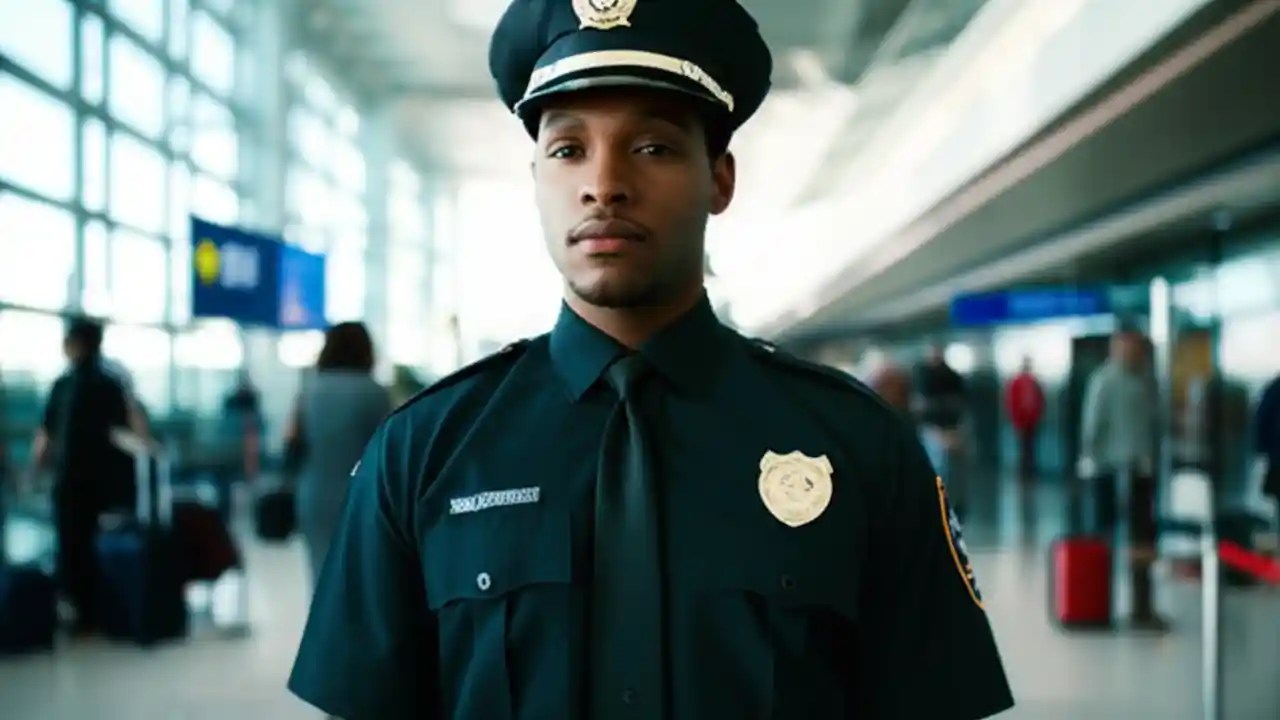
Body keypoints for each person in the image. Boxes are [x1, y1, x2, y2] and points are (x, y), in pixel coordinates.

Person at [288, 1, 1013, 718]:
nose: (604, 184)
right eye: (568, 150)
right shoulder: (424, 452)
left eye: (653, 147)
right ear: (536, 177)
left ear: (720, 178)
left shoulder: (858, 446)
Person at [29, 317, 145, 635]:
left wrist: (34, 471)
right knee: (94, 547)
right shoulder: (110, 384)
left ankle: (78, 613)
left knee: (70, 547)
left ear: (75, 344)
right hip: (103, 484)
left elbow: (45, 436)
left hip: (68, 481)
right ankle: (95, 613)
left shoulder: (63, 385)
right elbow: (128, 431)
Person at [284, 322, 392, 583]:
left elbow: (292, 445)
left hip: (315, 494)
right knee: (363, 576)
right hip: (365, 496)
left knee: (321, 572)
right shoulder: (375, 393)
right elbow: (390, 449)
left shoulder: (309, 391)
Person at [1079, 327, 1165, 630]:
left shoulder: (1146, 380)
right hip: (1109, 470)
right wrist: (1092, 460)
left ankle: (1142, 607)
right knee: (1103, 537)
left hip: (1142, 470)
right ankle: (1097, 604)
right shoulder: (1104, 381)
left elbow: (1154, 425)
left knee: (1142, 540)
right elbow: (1092, 426)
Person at [1005, 357, 1045, 479]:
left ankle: (1026, 472)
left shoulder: (1027, 382)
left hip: (1027, 421)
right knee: (1027, 448)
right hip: (1026, 421)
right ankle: (1026, 472)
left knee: (1026, 448)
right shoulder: (1028, 382)